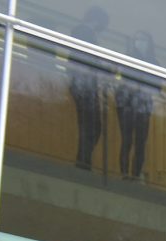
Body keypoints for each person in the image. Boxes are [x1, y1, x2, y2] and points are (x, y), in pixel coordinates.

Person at [66, 8, 111, 171]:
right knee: (91, 125)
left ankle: (83, 160)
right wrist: (104, 68)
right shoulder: (83, 31)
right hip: (84, 84)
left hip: (84, 84)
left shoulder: (83, 32)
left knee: (91, 125)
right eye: (104, 24)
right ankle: (83, 161)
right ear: (97, 20)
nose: (104, 27)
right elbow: (87, 59)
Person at [114, 30, 157, 181]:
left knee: (140, 143)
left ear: (149, 43)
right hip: (127, 105)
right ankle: (125, 173)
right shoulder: (128, 58)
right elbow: (121, 81)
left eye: (143, 40)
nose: (140, 42)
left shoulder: (153, 62)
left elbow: (158, 86)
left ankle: (135, 174)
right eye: (137, 39)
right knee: (127, 140)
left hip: (143, 106)